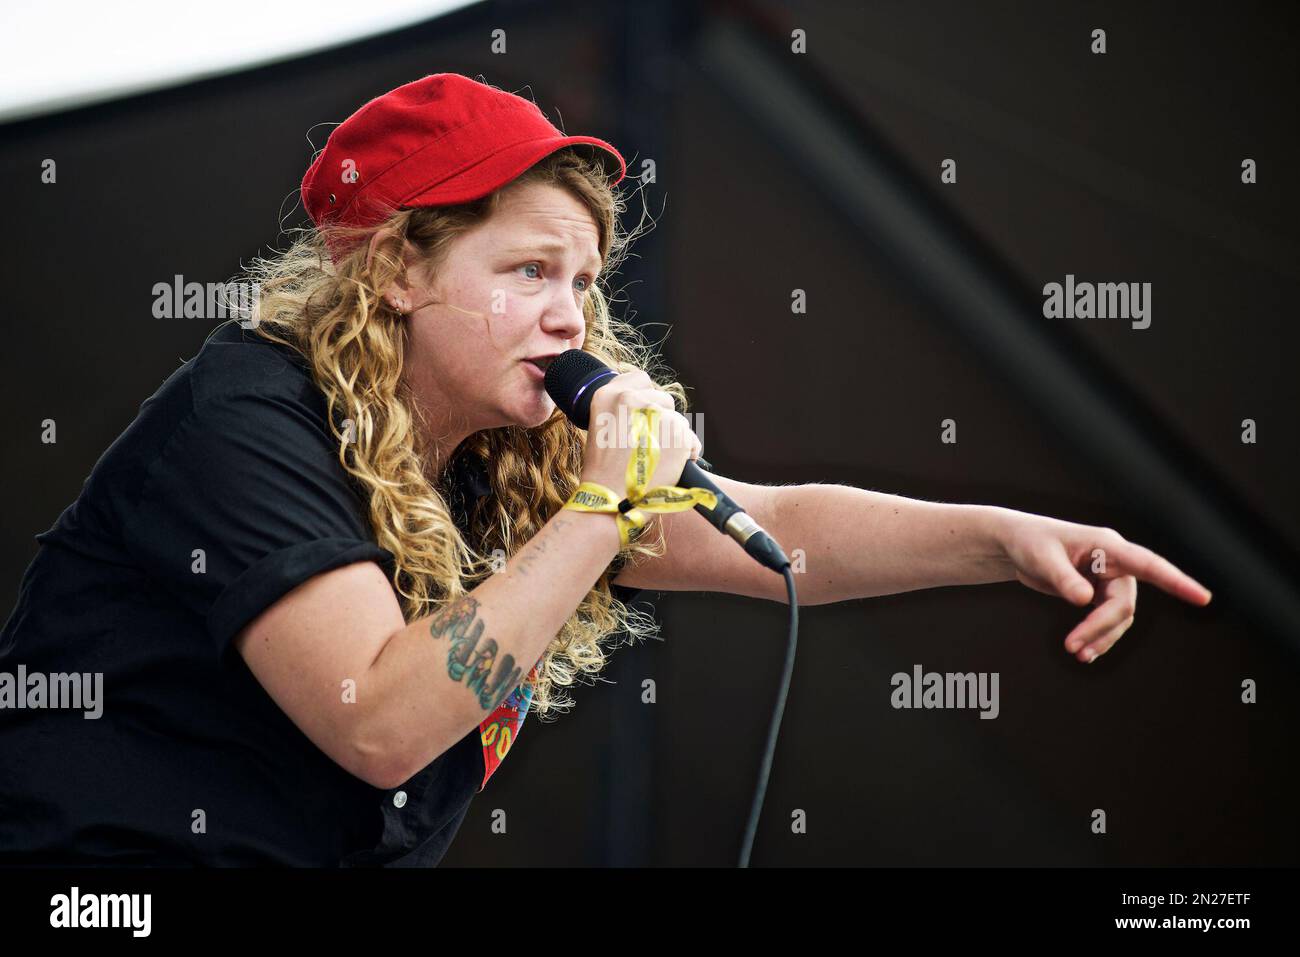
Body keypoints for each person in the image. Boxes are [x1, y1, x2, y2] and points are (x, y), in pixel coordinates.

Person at [0, 73, 1212, 868]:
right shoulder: (248, 413)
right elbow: (380, 726)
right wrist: (594, 502)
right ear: (394, 274)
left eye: (582, 281)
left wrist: (1002, 537)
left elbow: (779, 524)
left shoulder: (506, 457)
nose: (572, 314)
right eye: (528, 272)